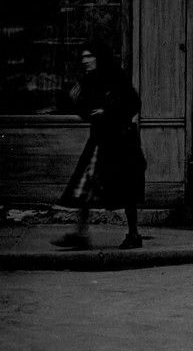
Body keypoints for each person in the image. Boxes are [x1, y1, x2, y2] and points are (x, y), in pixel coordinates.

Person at [53, 41, 147, 250]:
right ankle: (80, 234)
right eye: (83, 57)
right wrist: (75, 100)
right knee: (86, 185)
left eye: (90, 57)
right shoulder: (88, 81)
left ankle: (133, 234)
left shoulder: (116, 77)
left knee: (126, 188)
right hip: (100, 141)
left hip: (121, 143)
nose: (85, 61)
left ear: (99, 57)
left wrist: (108, 111)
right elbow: (86, 111)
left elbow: (133, 104)